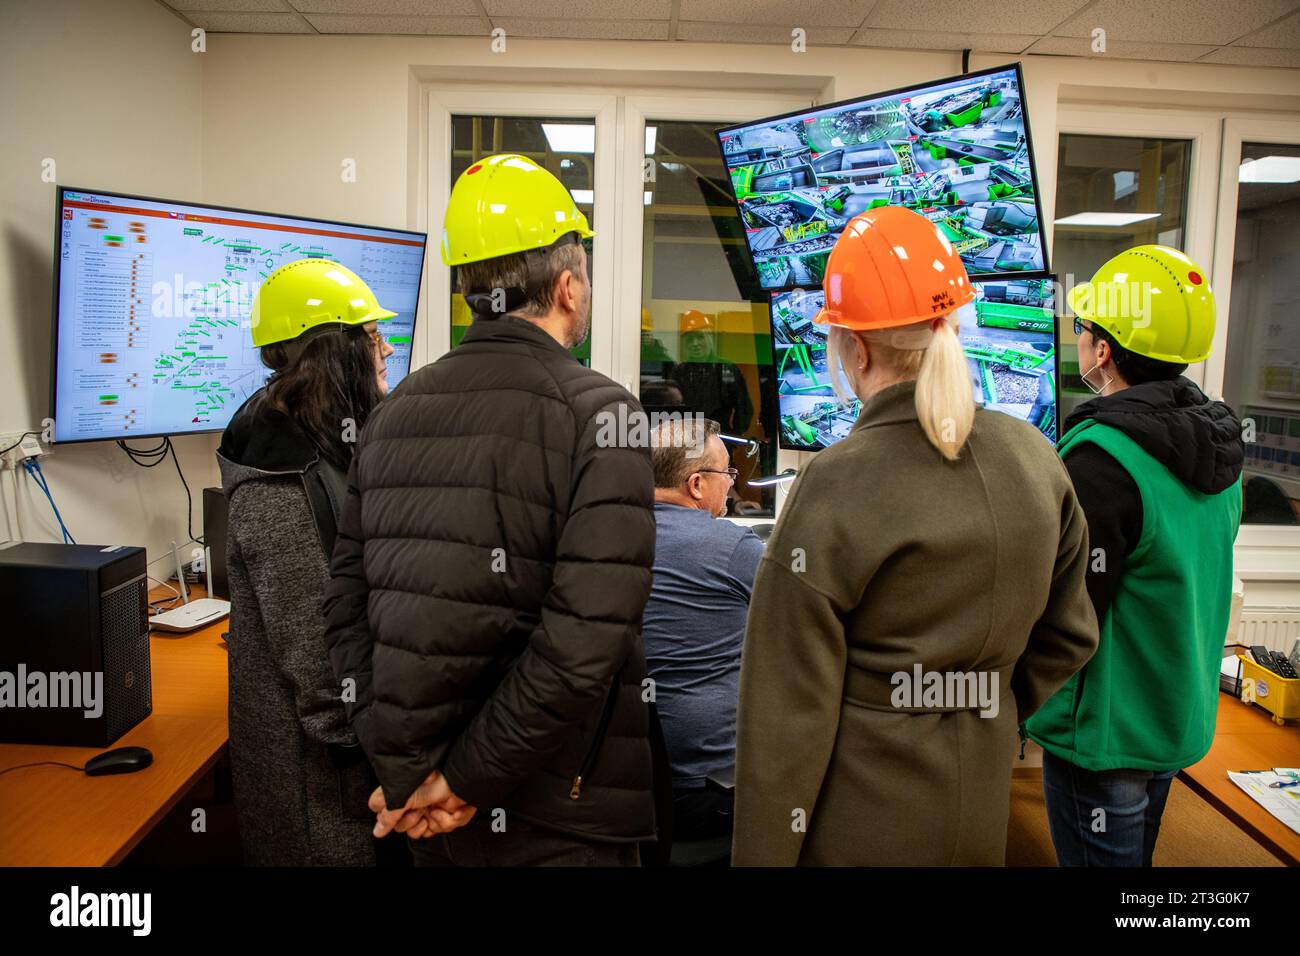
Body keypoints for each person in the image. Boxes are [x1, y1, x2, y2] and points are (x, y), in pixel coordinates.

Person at [731, 206, 1100, 866]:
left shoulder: (836, 483)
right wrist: (990, 706)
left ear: (856, 347)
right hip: (981, 815)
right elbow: (1073, 633)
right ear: (951, 324)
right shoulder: (1037, 458)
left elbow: (786, 719)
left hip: (858, 824)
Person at [322, 153, 659, 867]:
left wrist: (411, 774)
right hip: (558, 816)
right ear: (569, 287)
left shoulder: (390, 413)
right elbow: (580, 647)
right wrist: (456, 782)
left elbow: (346, 610)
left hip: (431, 818)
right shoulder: (604, 415)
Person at [1026, 246, 1244, 867]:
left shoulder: (1103, 459)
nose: (1080, 343)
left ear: (1104, 350)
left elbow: (1066, 610)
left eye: (1083, 329)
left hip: (1106, 731)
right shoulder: (1217, 448)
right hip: (1172, 716)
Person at [217, 258, 400, 866]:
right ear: (336, 351)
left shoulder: (326, 442)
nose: (387, 350)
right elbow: (314, 654)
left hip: (344, 768)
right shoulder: (280, 473)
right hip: (320, 787)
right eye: (374, 337)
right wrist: (372, 757)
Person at [642, 416, 764, 843]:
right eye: (727, 472)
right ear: (696, 484)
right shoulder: (733, 547)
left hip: (628, 787)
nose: (732, 484)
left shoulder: (604, 536)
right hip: (712, 789)